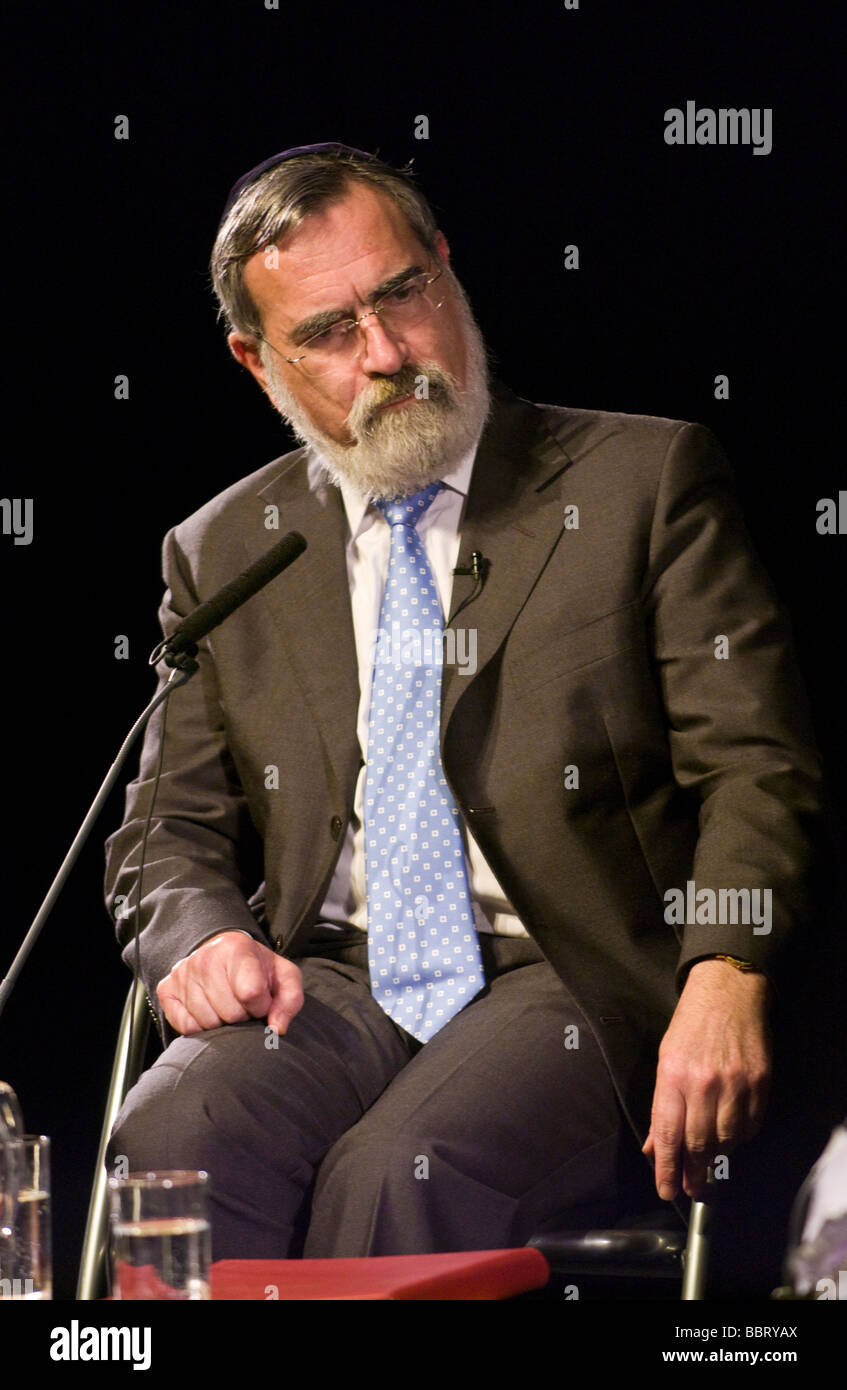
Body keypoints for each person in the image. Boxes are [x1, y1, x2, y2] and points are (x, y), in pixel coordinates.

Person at [105, 143, 822, 1261]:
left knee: (397, 1175)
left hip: (571, 976)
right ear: (258, 361)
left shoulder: (640, 483)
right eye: (330, 333)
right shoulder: (224, 550)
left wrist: (726, 971)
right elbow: (164, 828)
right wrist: (202, 938)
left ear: (446, 264)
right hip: (332, 978)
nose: (388, 352)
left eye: (403, 293)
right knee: (170, 1134)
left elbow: (756, 763)